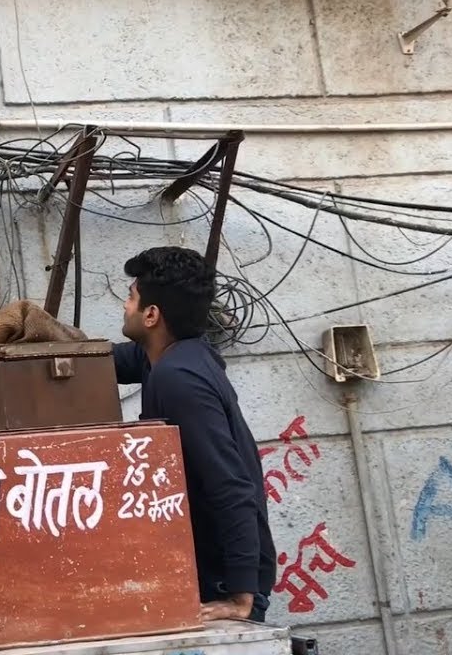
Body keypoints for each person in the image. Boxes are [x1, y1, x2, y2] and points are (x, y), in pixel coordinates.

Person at [111, 246, 276, 623]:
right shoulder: (173, 354)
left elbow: (231, 485)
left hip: (221, 584)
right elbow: (111, 360)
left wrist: (241, 595)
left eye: (131, 297)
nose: (125, 305)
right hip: (210, 575)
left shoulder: (179, 379)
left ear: (151, 315)